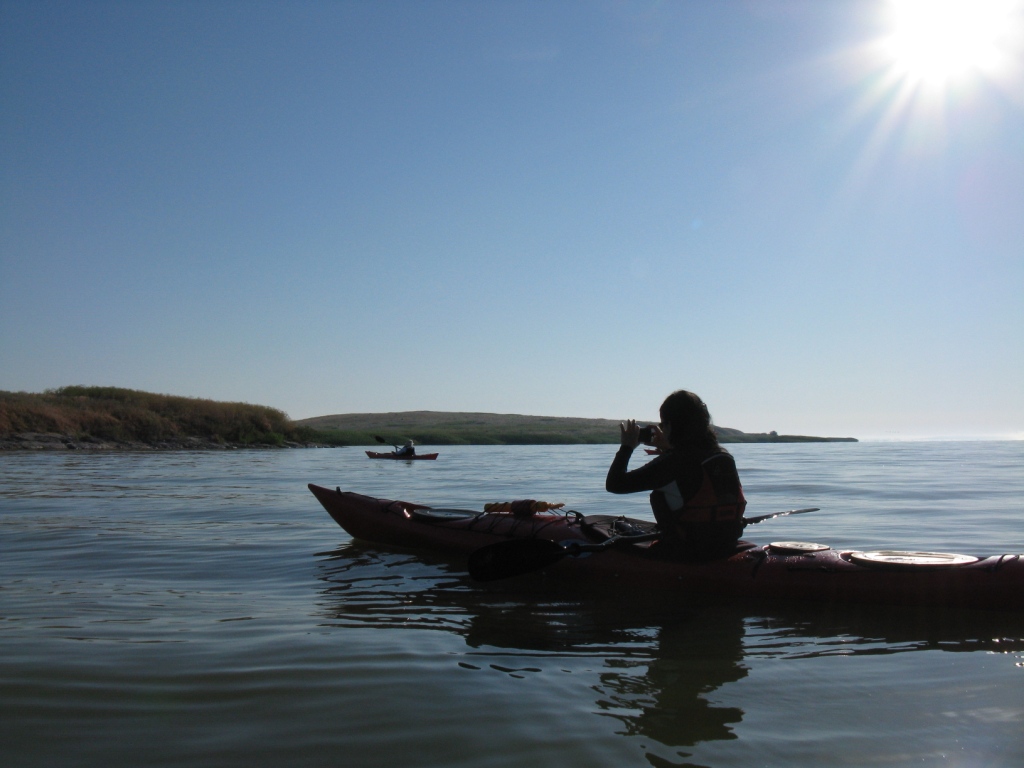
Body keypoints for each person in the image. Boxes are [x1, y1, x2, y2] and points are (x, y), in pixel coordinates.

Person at [605, 390, 746, 560]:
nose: (662, 430)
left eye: (663, 425)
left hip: (687, 550)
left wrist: (627, 447)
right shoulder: (723, 456)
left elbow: (615, 484)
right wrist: (670, 449)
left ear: (672, 426)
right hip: (727, 543)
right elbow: (691, 468)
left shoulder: (672, 462)